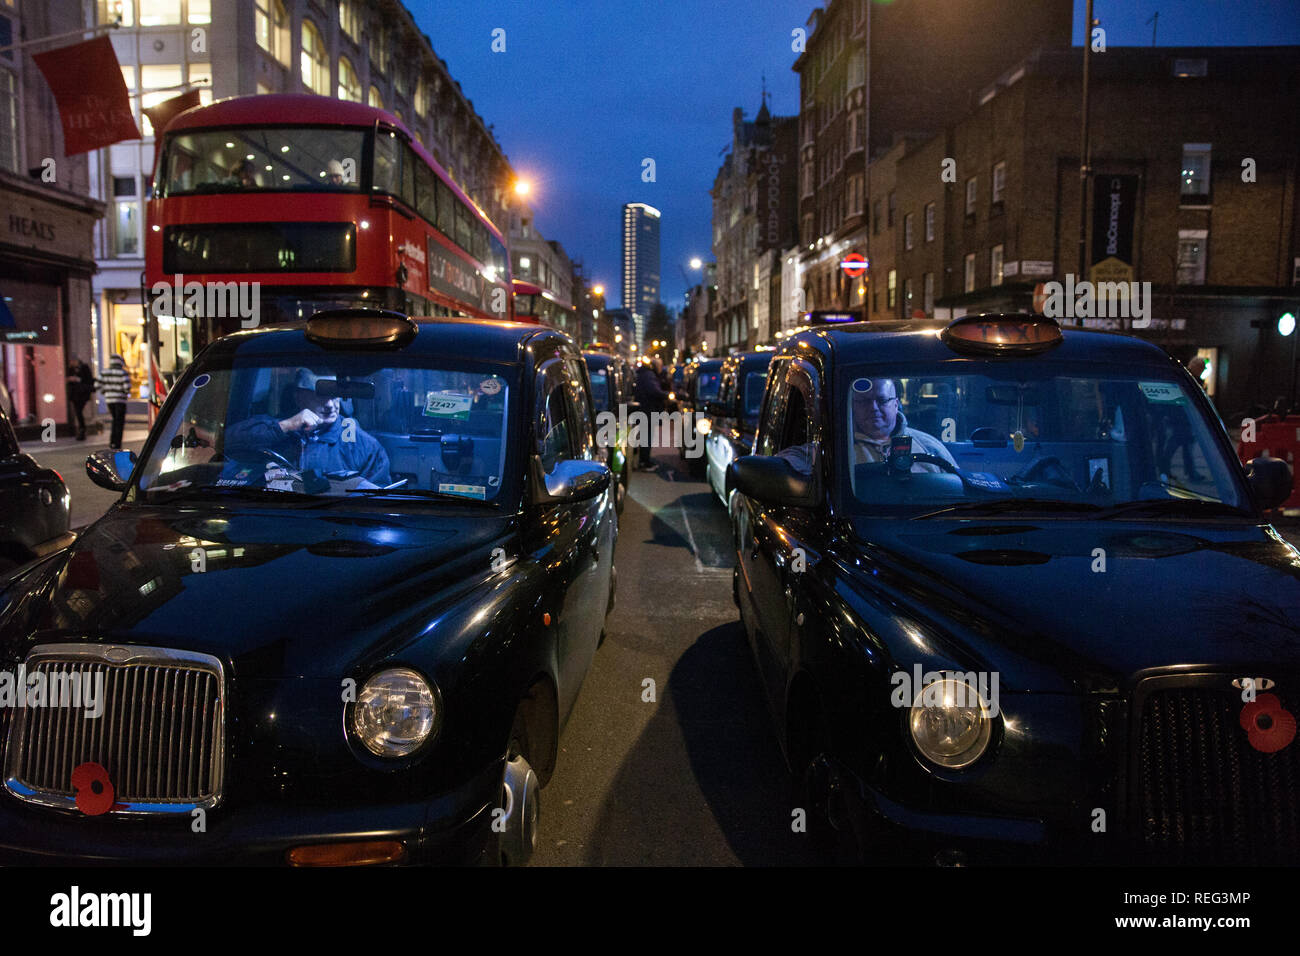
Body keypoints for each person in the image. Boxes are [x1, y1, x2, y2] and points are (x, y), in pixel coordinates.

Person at [224, 368, 391, 486]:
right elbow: (226, 442)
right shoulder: (276, 427)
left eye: (335, 397)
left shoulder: (363, 445)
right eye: (321, 397)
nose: (330, 405)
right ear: (299, 398)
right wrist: (285, 427)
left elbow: (378, 499)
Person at [851, 377, 957, 473]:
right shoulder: (840, 447)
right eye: (864, 401)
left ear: (896, 404)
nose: (873, 408)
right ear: (852, 405)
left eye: (882, 400)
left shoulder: (929, 446)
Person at [634, 357, 668, 470]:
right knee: (647, 436)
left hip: (645, 409)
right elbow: (653, 391)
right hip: (648, 410)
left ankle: (644, 460)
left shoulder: (646, 374)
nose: (661, 368)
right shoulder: (649, 375)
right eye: (660, 366)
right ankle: (645, 462)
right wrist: (666, 395)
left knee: (645, 436)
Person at [98, 353, 131, 450]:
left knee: (114, 420)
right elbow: (127, 387)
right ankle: (117, 443)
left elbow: (98, 385)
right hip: (120, 400)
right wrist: (124, 392)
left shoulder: (105, 372)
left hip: (109, 400)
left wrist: (105, 391)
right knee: (119, 422)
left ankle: (112, 442)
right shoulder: (122, 373)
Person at [66, 355, 95, 441]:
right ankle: (81, 429)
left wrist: (77, 379)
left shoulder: (84, 367)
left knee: (78, 411)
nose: (71, 363)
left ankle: (82, 429)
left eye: (72, 361)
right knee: (78, 412)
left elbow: (89, 380)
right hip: (74, 394)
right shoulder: (70, 369)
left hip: (83, 394)